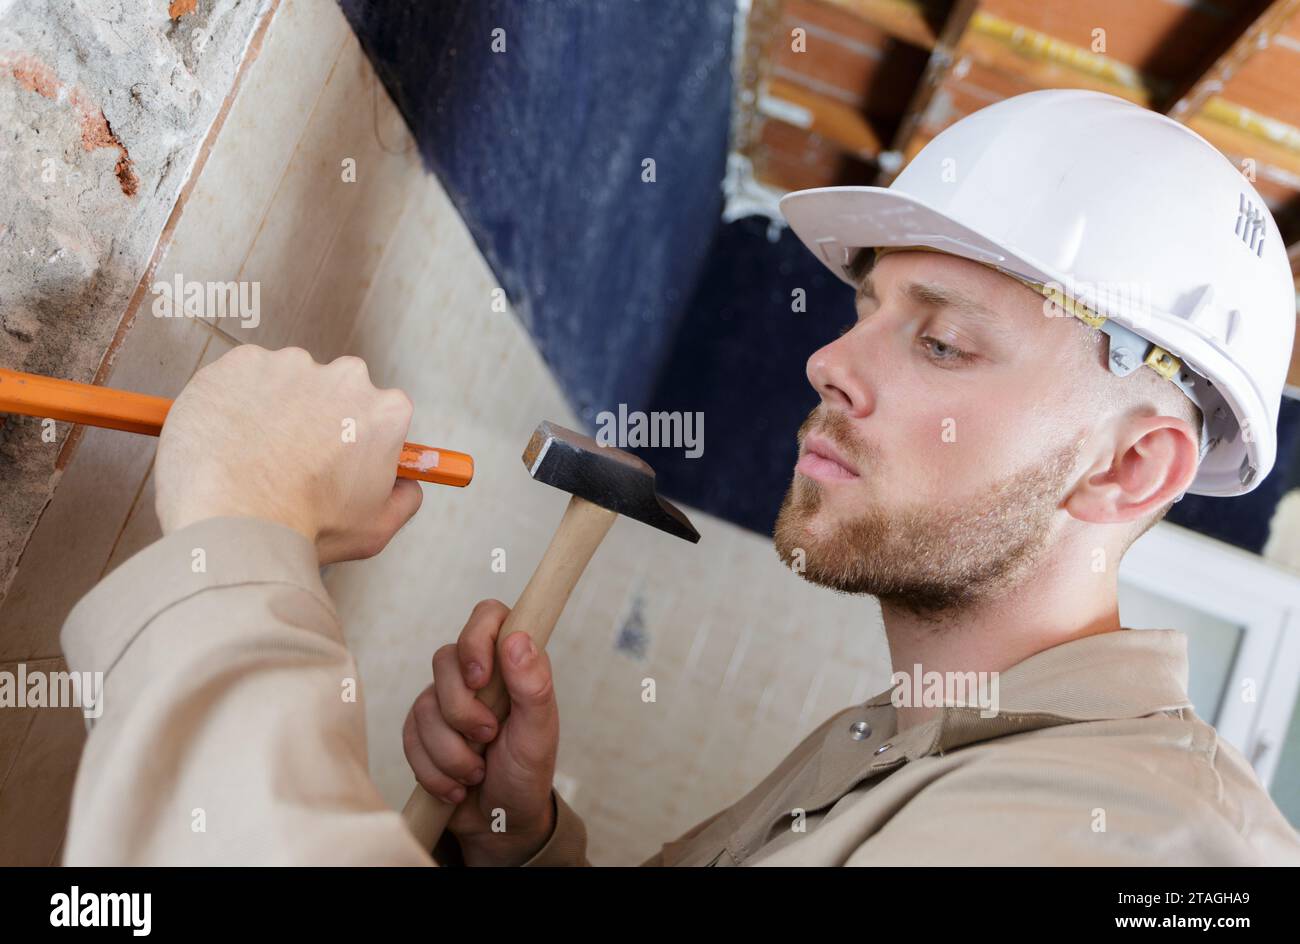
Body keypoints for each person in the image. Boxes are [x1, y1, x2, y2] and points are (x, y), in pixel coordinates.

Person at [59, 90, 1300, 865]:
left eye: (938, 338)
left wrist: (238, 540)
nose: (826, 359)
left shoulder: (1153, 850)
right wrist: (522, 840)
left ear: (1132, 463)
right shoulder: (898, 746)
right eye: (864, 310)